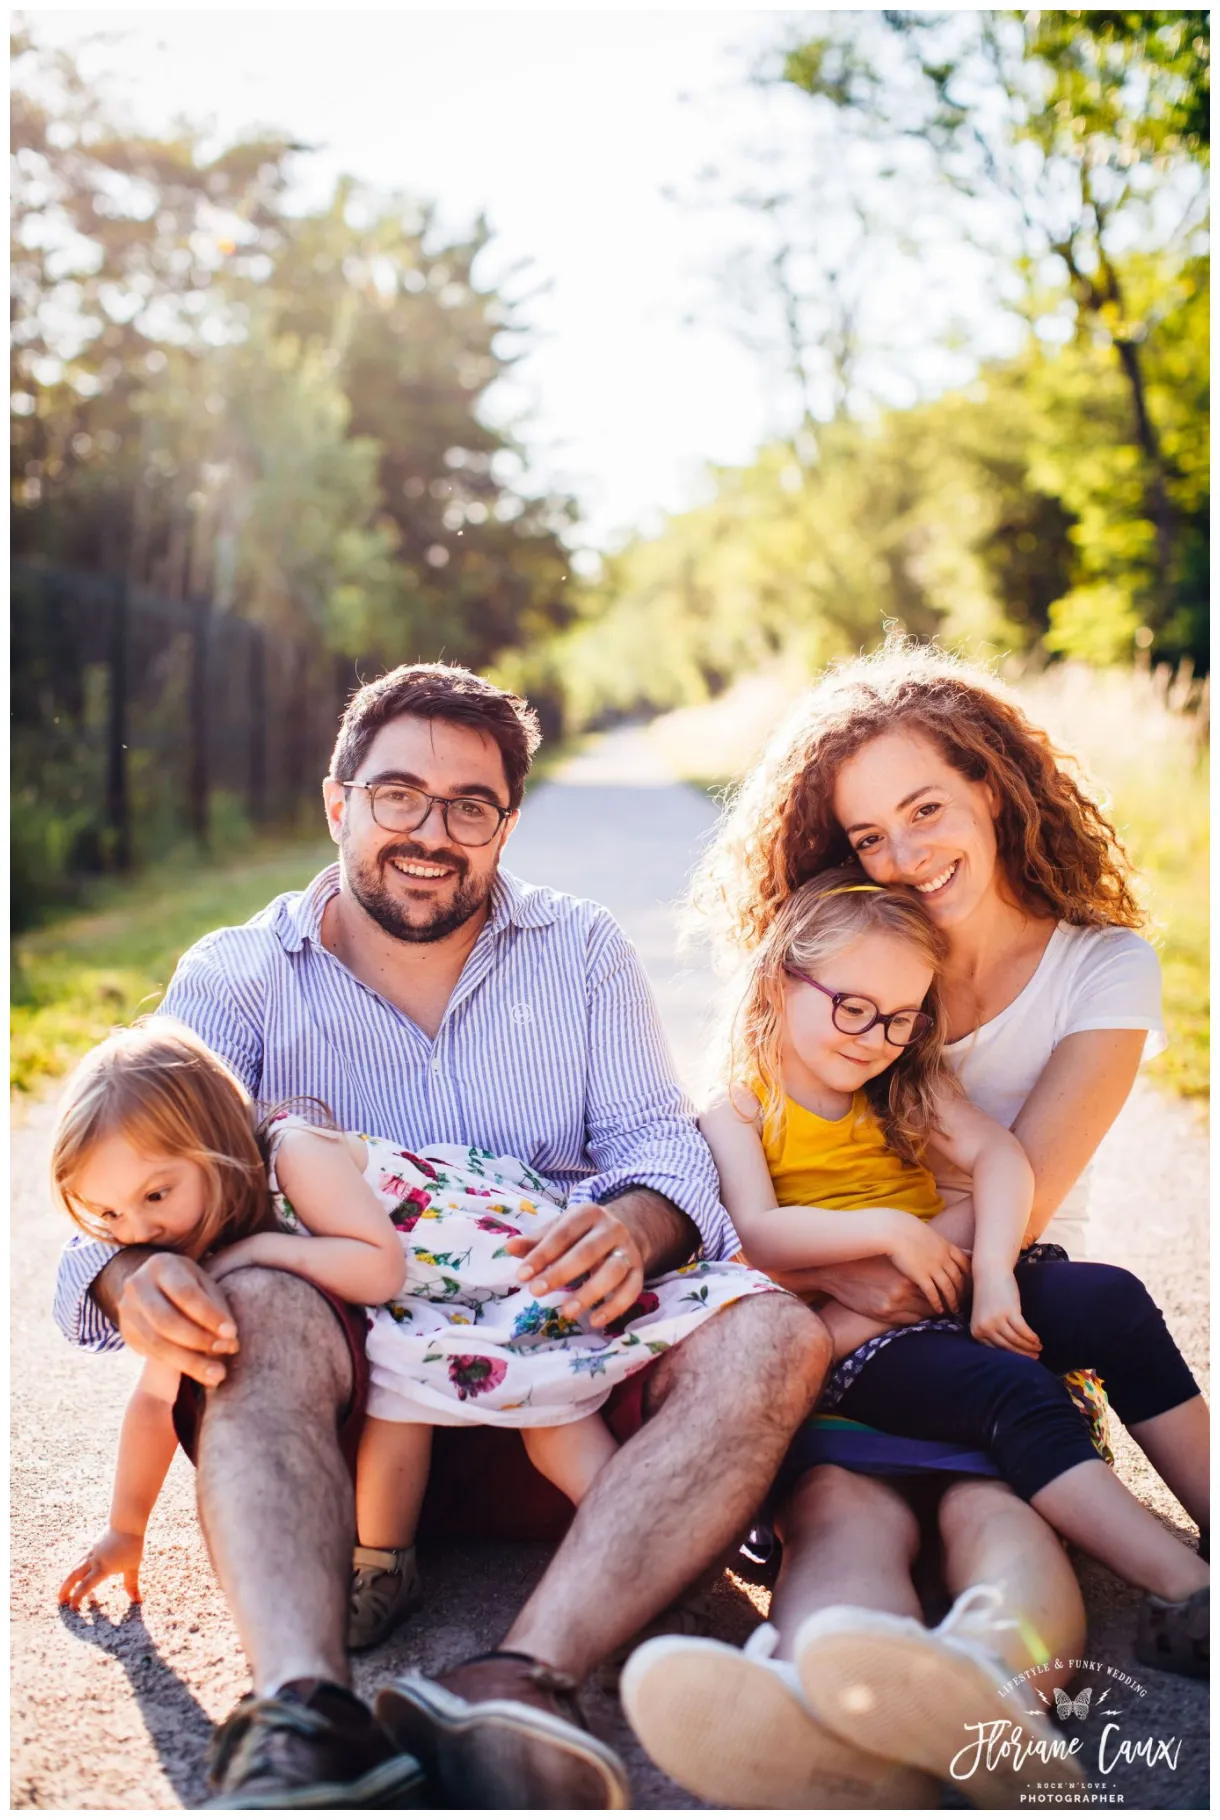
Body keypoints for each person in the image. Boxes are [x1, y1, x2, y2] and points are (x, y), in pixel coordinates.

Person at [52, 661, 829, 1810]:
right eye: (397, 795)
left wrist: (637, 1220)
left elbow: (665, 1151)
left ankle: (524, 1673)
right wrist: (130, 1270)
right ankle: (302, 1714)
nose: (430, 832)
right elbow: (118, 1185)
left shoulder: (580, 949)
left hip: (565, 1391)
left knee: (774, 1334)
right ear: (338, 802)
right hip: (345, 1422)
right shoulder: (239, 973)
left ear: (507, 822)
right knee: (252, 1293)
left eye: (470, 805)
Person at [623, 639, 1207, 1805]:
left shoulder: (1077, 976)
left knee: (1000, 1509)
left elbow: (1016, 1173)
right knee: (839, 1512)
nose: (902, 853)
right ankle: (804, 1693)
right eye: (867, 835)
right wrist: (852, 1285)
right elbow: (747, 1214)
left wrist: (916, 1273)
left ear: (992, 785)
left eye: (925, 807)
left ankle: (987, 1683)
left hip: (986, 1317)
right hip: (848, 1345)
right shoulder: (843, 982)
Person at [54, 1021, 779, 1652]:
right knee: (399, 1386)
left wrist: (260, 1250)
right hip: (417, 1302)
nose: (141, 1232)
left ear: (215, 1144)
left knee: (545, 1408)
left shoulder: (293, 1152)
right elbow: (156, 1397)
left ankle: (647, 1563)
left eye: (156, 1194)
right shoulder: (181, 1242)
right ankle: (386, 1566)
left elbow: (378, 1269)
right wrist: (126, 1529)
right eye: (109, 1216)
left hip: (486, 1256)